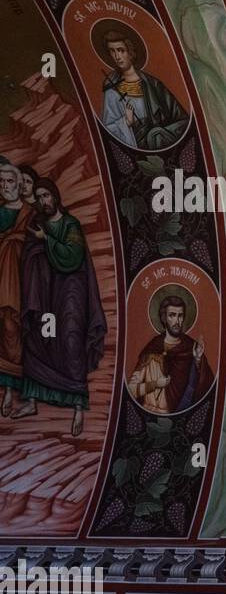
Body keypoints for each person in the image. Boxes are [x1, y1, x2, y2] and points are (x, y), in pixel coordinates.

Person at [10, 179, 106, 436]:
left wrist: (47, 240)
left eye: (46, 196)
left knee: (71, 342)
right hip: (42, 292)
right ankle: (31, 401)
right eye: (39, 197)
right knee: (37, 341)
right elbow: (28, 256)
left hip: (69, 293)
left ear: (55, 196)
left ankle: (77, 406)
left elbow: (72, 257)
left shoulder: (70, 225)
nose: (43, 201)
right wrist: (38, 248)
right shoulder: (36, 224)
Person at [98, 27, 190, 151]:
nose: (117, 56)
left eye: (121, 50)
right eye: (112, 51)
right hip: (137, 150)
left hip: (164, 144)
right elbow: (108, 132)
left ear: (130, 52)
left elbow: (180, 119)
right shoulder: (111, 91)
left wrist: (160, 133)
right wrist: (126, 121)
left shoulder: (152, 84)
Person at [127, 293, 215, 414]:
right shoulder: (153, 348)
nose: (177, 321)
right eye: (172, 315)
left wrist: (198, 361)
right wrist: (155, 384)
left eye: (180, 316)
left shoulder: (191, 348)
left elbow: (207, 388)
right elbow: (131, 390)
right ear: (164, 318)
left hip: (178, 416)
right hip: (147, 412)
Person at [0, 163, 31, 414]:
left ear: (19, 185)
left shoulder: (32, 213)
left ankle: (25, 390)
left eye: (9, 182)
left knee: (22, 330)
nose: (5, 186)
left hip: (26, 281)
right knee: (5, 329)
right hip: (2, 279)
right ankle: (8, 390)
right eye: (1, 183)